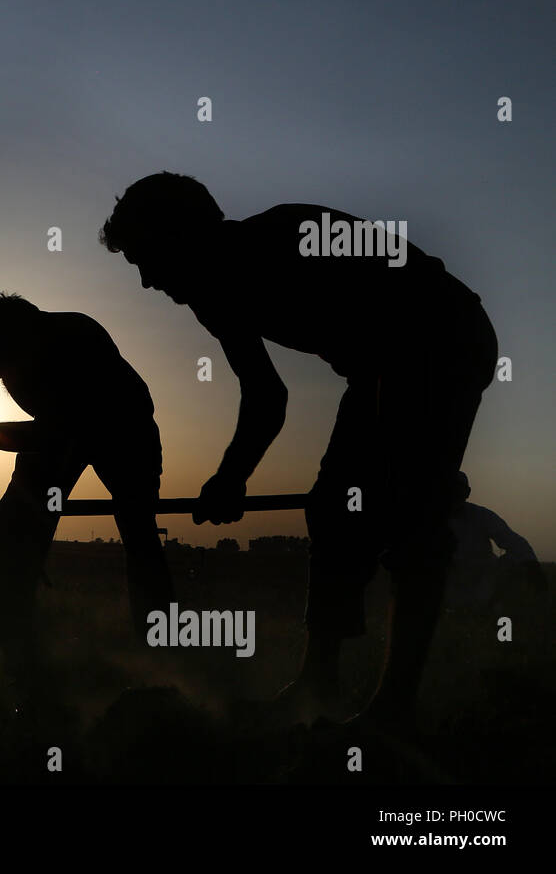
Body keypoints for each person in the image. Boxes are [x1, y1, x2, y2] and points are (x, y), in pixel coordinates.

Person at [99, 172, 498, 729]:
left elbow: (400, 313)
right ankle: (318, 687)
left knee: (412, 520)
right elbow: (266, 393)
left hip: (443, 333)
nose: (144, 281)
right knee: (333, 509)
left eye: (144, 258)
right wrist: (231, 476)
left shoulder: (288, 235)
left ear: (179, 235)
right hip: (379, 366)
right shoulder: (212, 295)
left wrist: (412, 464)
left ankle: (395, 711)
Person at [0, 294, 172, 673]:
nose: (1, 371)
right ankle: (16, 653)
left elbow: (50, 437)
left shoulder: (77, 339)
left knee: (138, 531)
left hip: (124, 430)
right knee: (10, 522)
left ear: (32, 334)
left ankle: (161, 657)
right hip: (56, 432)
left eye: (8, 362)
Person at [445, 472, 542, 609]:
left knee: (515, 560)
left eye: (458, 490)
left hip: (484, 581)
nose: (454, 494)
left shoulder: (480, 515)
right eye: (451, 489)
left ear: (467, 493)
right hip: (451, 585)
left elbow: (512, 540)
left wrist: (532, 565)